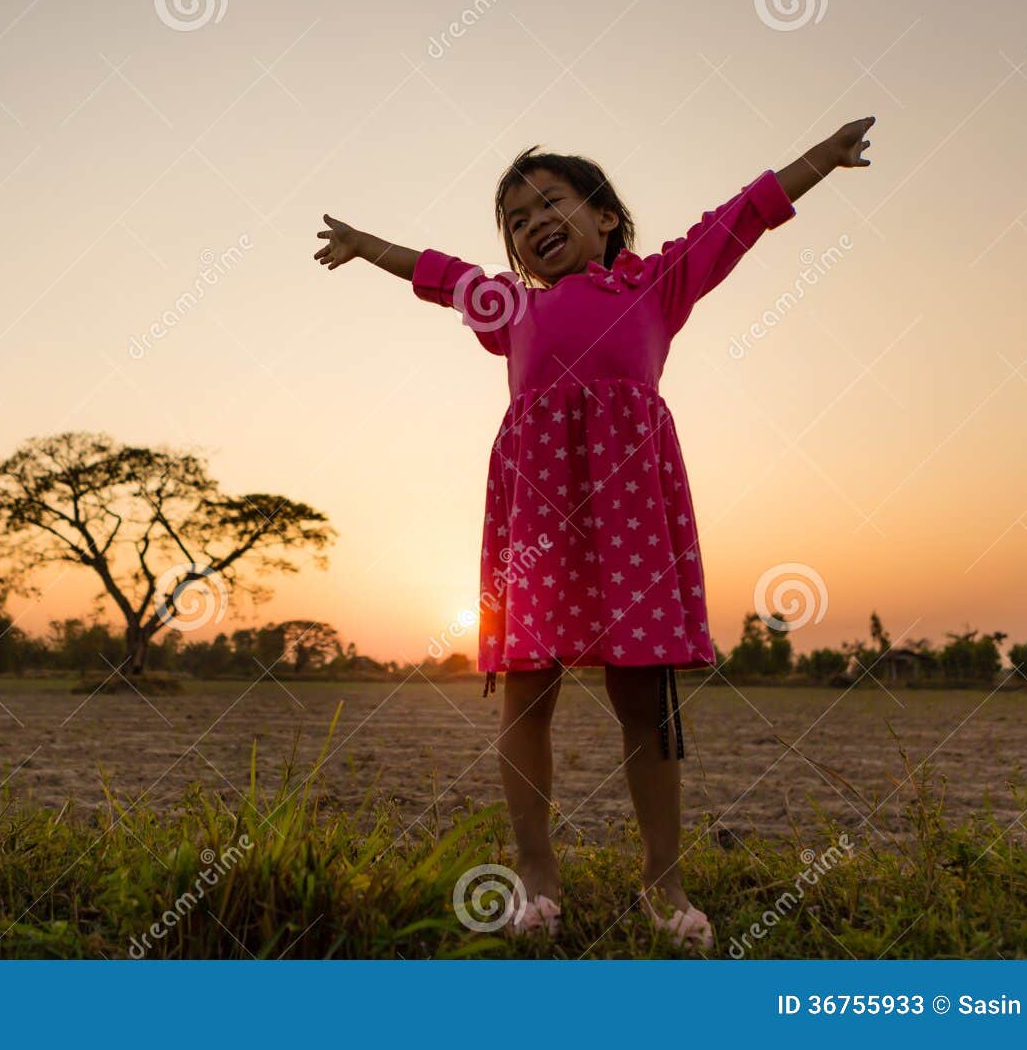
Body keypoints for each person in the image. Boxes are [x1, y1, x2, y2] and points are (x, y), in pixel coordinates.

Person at [312, 118, 876, 949]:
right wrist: (364, 244)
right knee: (525, 691)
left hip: (630, 515)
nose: (532, 219)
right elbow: (438, 273)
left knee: (641, 697)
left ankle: (663, 881)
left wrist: (819, 161)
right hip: (538, 514)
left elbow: (738, 218)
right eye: (515, 218)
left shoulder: (655, 284)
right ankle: (537, 875)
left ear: (605, 217)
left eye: (551, 199)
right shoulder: (508, 308)